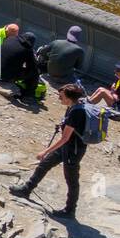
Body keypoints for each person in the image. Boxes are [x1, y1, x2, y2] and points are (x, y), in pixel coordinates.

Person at [9, 83, 89, 220]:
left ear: (69, 98)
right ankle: (26, 189)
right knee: (44, 165)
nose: (59, 99)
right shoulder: (74, 106)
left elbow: (65, 138)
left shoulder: (77, 111)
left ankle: (70, 210)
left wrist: (45, 151)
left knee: (71, 180)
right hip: (69, 146)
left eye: (61, 96)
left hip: (73, 150)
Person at [0, 28, 42, 102]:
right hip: (3, 76)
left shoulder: (10, 38)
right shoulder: (27, 48)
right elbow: (33, 67)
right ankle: (28, 95)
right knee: (35, 73)